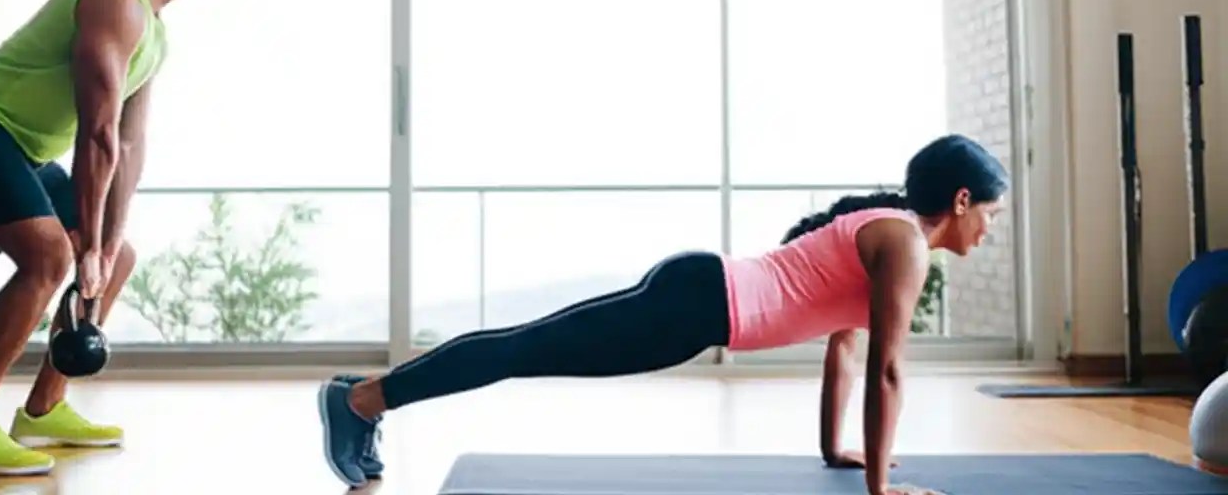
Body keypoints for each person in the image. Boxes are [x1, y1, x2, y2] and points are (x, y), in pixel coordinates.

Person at [317, 133, 1009, 494]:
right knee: (522, 350)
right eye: (990, 213)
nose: (989, 228)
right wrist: (881, 487)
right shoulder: (905, 243)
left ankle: (363, 400)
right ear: (958, 200)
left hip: (697, 295)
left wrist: (840, 454)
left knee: (524, 345)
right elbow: (889, 370)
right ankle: (361, 403)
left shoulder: (892, 234)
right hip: (698, 304)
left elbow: (849, 351)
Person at [0, 0, 232, 476]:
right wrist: (84, 249)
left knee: (117, 256)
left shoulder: (153, 33)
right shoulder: (115, 0)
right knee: (52, 257)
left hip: (16, 146)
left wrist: (102, 245)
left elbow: (129, 145)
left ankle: (44, 408)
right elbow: (98, 134)